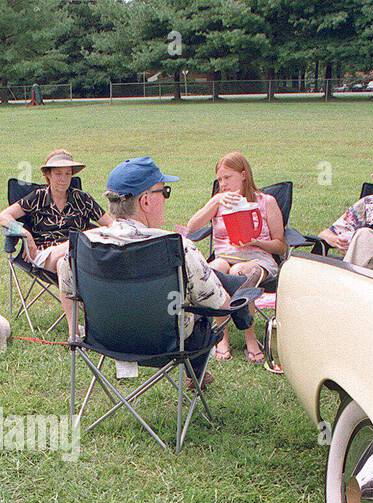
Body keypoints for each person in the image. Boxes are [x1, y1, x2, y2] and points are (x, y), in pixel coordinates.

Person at [57, 156, 246, 388]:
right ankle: (195, 374)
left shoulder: (81, 245)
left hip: (104, 340)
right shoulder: (177, 247)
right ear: (145, 201)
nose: (166, 199)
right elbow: (220, 307)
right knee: (213, 308)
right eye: (164, 191)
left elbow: (67, 287)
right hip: (167, 345)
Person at [185, 152, 285, 362]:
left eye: (227, 178)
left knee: (238, 273)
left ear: (243, 174)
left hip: (259, 258)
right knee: (215, 271)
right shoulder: (219, 202)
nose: (222, 184)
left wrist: (256, 242)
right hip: (225, 257)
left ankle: (249, 336)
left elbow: (281, 246)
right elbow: (191, 227)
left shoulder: (266, 201)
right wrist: (215, 202)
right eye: (219, 179)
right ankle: (222, 336)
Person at [0, 149, 112, 275]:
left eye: (68, 174)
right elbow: (3, 217)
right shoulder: (37, 197)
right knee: (69, 260)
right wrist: (25, 233)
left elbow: (111, 224)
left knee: (67, 263)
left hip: (78, 255)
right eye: (58, 174)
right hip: (44, 254)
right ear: (48, 175)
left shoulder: (83, 198)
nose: (63, 179)